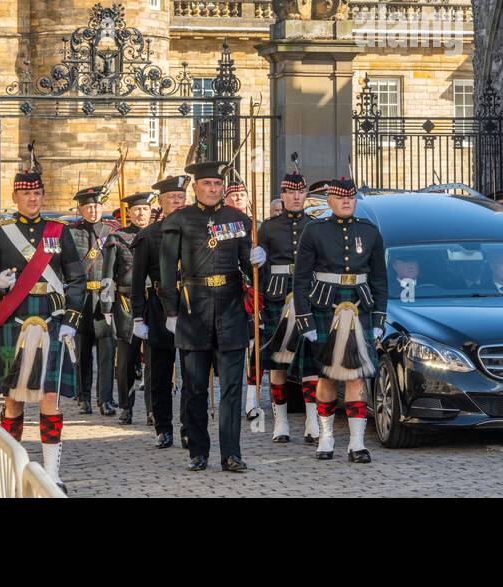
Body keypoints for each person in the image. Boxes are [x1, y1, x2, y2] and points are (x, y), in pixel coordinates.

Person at [0, 147, 86, 489]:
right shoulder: (0, 232)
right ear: (15, 196)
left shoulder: (58, 231)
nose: (32, 199)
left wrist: (72, 319)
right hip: (14, 320)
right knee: (14, 398)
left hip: (51, 321)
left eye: (37, 193)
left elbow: (76, 278)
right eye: (26, 194)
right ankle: (13, 468)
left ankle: (52, 473)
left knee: (51, 396)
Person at [160, 160, 258, 473]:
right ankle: (198, 452)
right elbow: (166, 270)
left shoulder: (238, 219)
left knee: (231, 389)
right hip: (193, 310)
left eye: (217, 185)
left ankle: (231, 453)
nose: (213, 189)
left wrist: (259, 261)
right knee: (195, 387)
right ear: (196, 187)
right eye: (207, 184)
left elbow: (249, 268)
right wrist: (171, 311)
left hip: (230, 311)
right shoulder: (180, 220)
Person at [293, 176, 387, 463]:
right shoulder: (314, 230)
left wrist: (380, 318)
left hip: (361, 306)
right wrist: (305, 320)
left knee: (357, 377)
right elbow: (300, 280)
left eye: (351, 197)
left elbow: (380, 279)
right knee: (327, 376)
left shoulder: (370, 232)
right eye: (341, 197)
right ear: (330, 200)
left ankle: (357, 444)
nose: (347, 201)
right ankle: (326, 437)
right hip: (325, 306)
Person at [130, 173, 188, 448]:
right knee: (160, 373)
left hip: (191, 308)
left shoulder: (197, 230)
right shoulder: (148, 236)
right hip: (159, 307)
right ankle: (163, 427)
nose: (177, 202)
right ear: (161, 204)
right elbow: (137, 278)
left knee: (193, 374)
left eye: (181, 198)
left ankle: (190, 426)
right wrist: (138, 317)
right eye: (171, 199)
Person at [255, 170, 314, 443]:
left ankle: (312, 420)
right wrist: (256, 260)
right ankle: (281, 420)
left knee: (309, 362)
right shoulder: (267, 227)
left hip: (307, 296)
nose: (296, 197)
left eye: (301, 192)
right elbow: (260, 272)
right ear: (283, 196)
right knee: (277, 361)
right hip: (277, 296)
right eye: (291, 192)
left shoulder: (314, 226)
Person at [66, 186, 120, 416]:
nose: (93, 210)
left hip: (104, 298)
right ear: (80, 208)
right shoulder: (71, 233)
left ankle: (105, 399)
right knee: (82, 353)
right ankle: (83, 397)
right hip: (81, 299)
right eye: (88, 206)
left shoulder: (111, 232)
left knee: (108, 353)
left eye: (97, 205)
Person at [106, 191, 154, 425]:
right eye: (136, 209)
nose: (141, 213)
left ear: (151, 211)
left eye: (145, 209)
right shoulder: (118, 238)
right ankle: (126, 405)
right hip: (126, 303)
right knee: (126, 360)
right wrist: (107, 306)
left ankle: (152, 409)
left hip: (153, 302)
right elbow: (109, 276)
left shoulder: (158, 234)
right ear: (129, 212)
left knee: (154, 362)